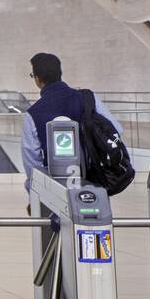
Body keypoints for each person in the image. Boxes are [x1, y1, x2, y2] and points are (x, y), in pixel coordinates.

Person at [21, 53, 122, 196]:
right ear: (60, 73)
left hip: (55, 188)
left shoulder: (32, 114)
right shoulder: (88, 97)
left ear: (38, 79)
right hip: (95, 181)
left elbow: (32, 162)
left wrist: (34, 193)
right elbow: (116, 129)